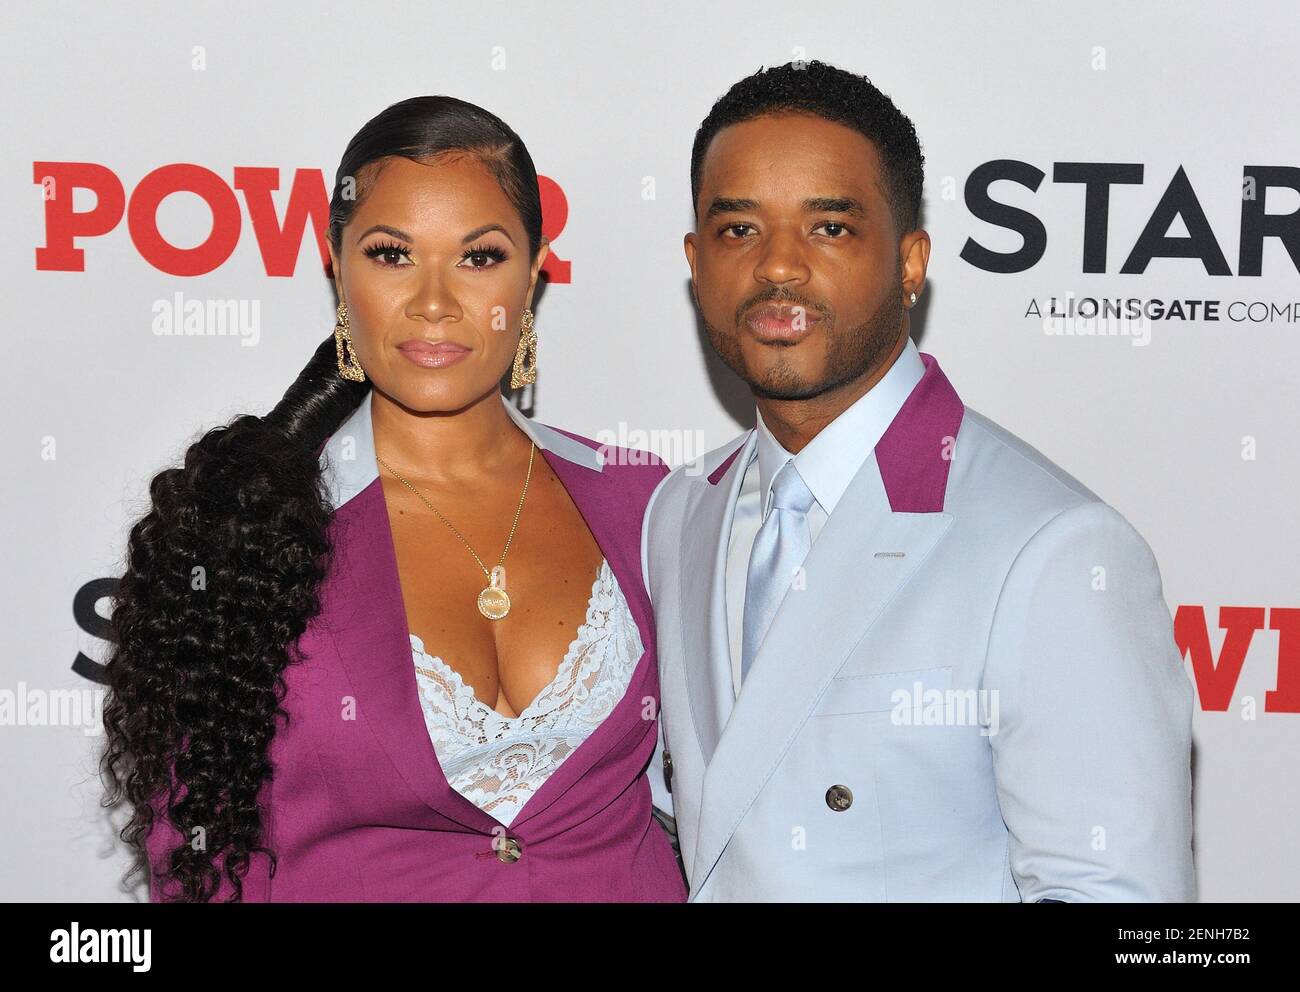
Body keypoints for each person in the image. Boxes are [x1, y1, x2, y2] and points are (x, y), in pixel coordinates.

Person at [101, 95, 687, 903]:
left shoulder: (640, 497)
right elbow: (200, 861)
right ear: (336, 264)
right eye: (391, 254)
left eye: (479, 257)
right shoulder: (241, 527)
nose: (435, 301)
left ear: (535, 270)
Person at [641, 61, 1196, 902]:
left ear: (910, 262)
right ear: (695, 261)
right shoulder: (680, 513)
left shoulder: (1052, 549)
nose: (778, 267)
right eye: (737, 230)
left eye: (829, 228)